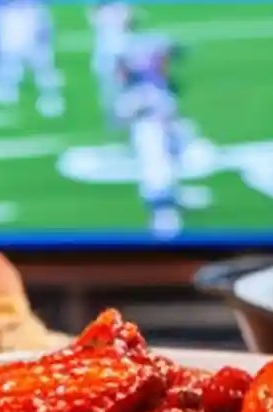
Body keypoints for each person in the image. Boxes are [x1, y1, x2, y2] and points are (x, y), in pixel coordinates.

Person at [114, 33, 184, 238]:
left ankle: (167, 208)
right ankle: (163, 216)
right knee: (158, 171)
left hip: (159, 127)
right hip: (150, 130)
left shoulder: (151, 85)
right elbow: (125, 116)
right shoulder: (138, 92)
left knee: (167, 167)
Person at [0, 0, 65, 118]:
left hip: (28, 11)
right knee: (11, 57)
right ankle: (8, 91)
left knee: (41, 63)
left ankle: (51, 99)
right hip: (13, 11)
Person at [88, 1, 133, 126]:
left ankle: (117, 116)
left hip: (114, 53)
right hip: (112, 52)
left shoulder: (101, 11)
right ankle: (116, 117)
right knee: (114, 88)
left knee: (117, 88)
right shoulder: (119, 9)